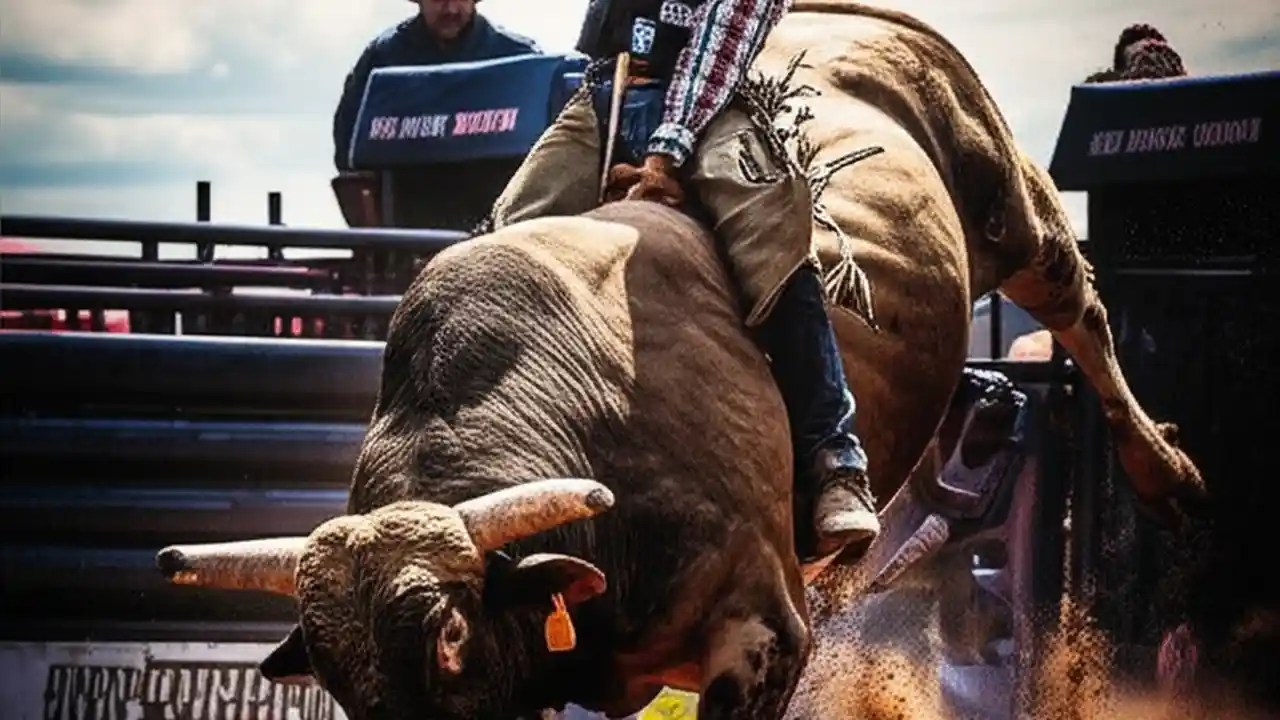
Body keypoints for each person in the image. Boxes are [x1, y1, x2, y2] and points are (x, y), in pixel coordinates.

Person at [485, 0, 880, 562]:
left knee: (774, 239)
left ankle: (834, 461)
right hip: (607, 94)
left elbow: (724, 38)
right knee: (506, 231)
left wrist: (666, 152)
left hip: (708, 107)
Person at [332, 0, 542, 169]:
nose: (450, 9)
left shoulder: (518, 56)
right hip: (405, 197)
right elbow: (348, 145)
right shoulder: (383, 57)